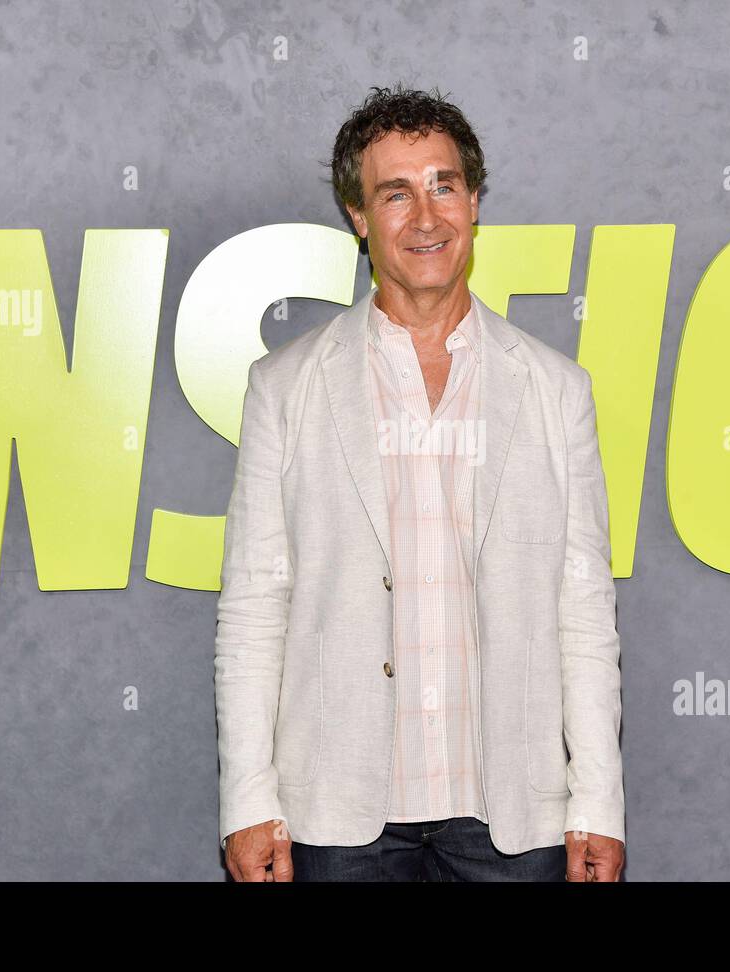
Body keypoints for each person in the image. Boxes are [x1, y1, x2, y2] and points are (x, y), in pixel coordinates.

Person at [215, 83, 625, 881]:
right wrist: (247, 801)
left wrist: (597, 805)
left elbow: (584, 609)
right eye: (395, 193)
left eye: (443, 185)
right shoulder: (286, 387)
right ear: (358, 217)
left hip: (514, 819)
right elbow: (255, 607)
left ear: (474, 201)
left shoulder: (555, 389)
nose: (426, 216)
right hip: (336, 819)